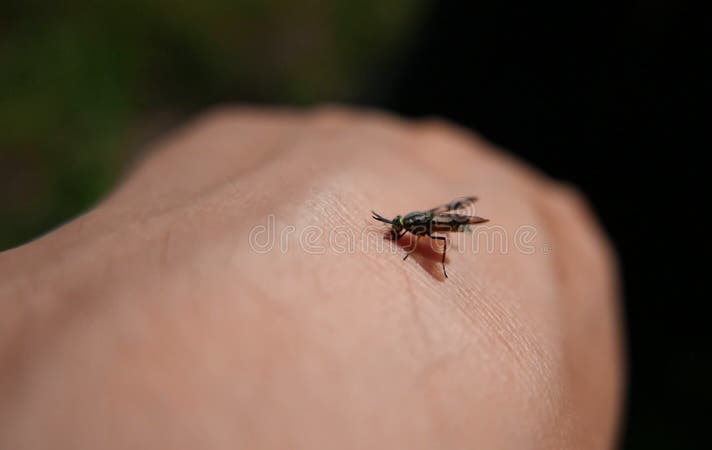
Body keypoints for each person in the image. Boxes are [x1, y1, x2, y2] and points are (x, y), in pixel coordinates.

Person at [0, 106, 622, 449]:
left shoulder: (420, 233)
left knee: (441, 234)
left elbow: (424, 232)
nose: (395, 239)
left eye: (397, 235)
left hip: (450, 219)